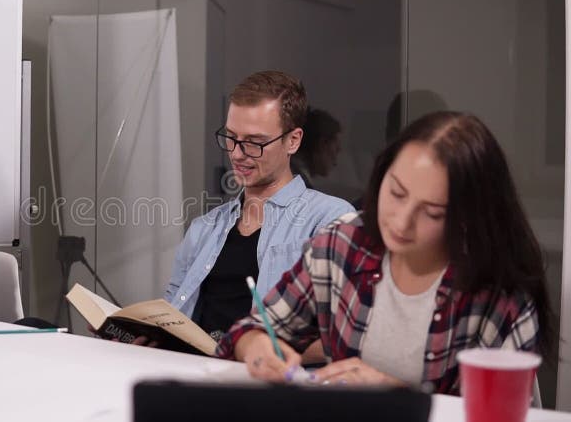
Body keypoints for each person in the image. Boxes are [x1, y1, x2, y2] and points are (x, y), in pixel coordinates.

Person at [217, 111, 555, 395]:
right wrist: (258, 348)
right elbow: (251, 330)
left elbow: (497, 413)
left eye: (432, 212)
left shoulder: (498, 291)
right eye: (396, 193)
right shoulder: (344, 244)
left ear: (469, 217)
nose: (402, 221)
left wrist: (393, 397)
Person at [165, 71, 353, 343]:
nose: (237, 153)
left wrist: (252, 348)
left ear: (293, 140)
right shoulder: (204, 229)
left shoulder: (330, 220)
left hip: (262, 378)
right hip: (193, 371)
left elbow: (342, 335)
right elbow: (172, 311)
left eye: (254, 143)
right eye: (231, 137)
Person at [290, 107, 342, 188]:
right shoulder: (299, 185)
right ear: (322, 144)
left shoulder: (287, 174)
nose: (336, 160)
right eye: (336, 149)